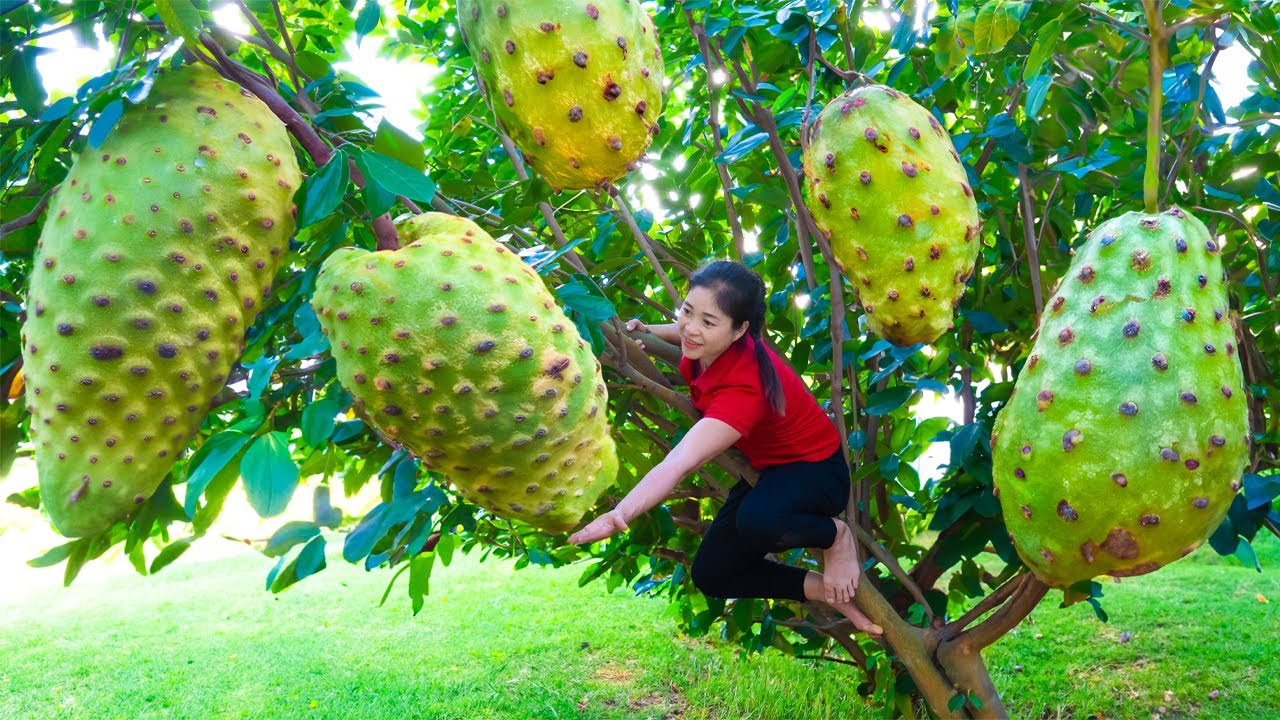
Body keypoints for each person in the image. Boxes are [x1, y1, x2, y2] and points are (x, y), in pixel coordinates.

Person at [568, 260, 883, 636]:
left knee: (759, 523)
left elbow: (678, 464)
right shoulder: (710, 345)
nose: (691, 329)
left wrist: (621, 513)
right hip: (771, 471)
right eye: (687, 311)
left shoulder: (744, 390)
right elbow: (688, 330)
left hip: (816, 473)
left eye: (708, 322)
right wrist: (650, 331)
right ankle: (822, 590)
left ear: (740, 331)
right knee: (712, 574)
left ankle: (835, 535)